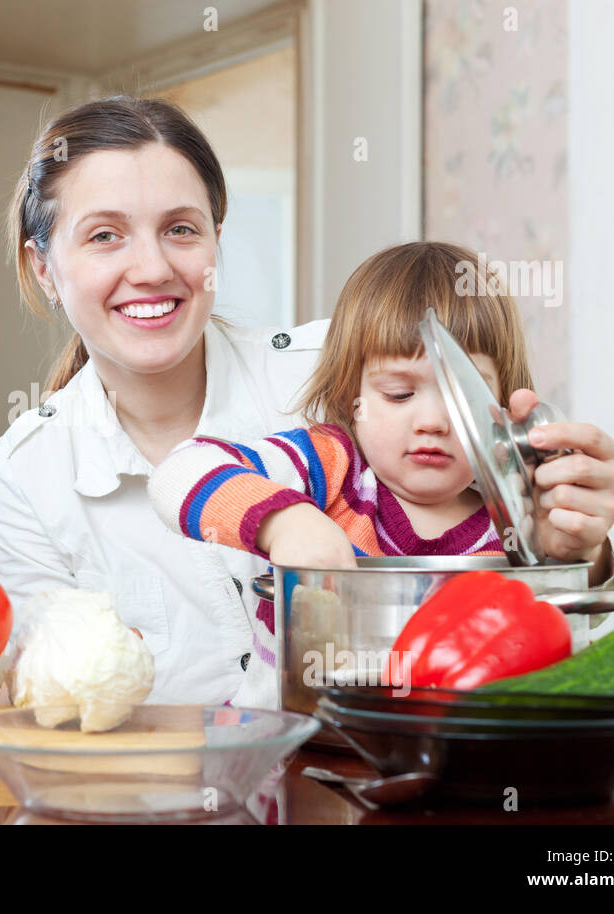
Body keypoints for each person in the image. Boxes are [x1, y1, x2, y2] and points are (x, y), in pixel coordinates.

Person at [0, 96, 614, 707]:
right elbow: (58, 703)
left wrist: (572, 544)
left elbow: (525, 581)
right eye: (104, 236)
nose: (152, 268)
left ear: (216, 241)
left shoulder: (350, 368)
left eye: (181, 229)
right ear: (43, 268)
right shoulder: (24, 475)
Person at [148, 241, 588, 707]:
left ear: (501, 410)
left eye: (463, 398)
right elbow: (179, 473)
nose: (432, 422)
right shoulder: (328, 467)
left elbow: (568, 645)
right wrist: (286, 522)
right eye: (399, 394)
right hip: (291, 748)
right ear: (350, 400)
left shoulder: (515, 523)